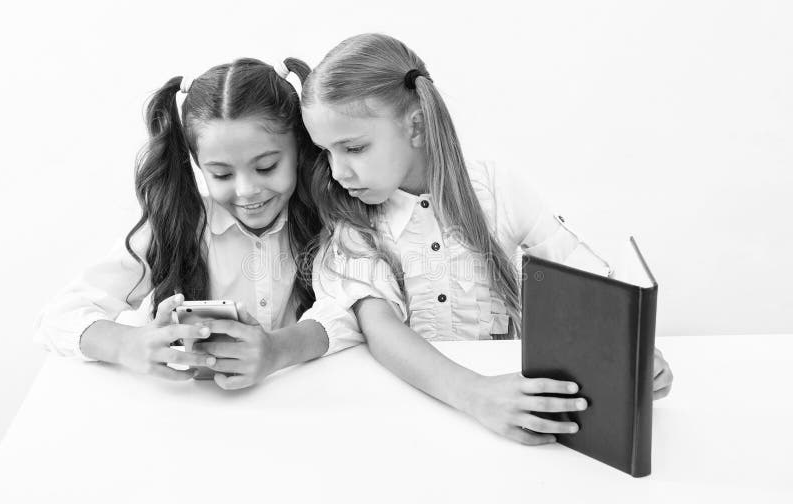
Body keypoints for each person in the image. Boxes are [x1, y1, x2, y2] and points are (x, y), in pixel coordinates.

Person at [297, 33, 674, 445]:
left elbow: (579, 275)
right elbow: (380, 328)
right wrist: (475, 395)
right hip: (408, 423)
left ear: (416, 126)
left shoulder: (496, 189)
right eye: (326, 153)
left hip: (506, 417)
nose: (337, 173)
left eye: (353, 148)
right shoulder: (353, 221)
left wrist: (627, 354)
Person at [35, 57, 340, 390]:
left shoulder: (327, 220)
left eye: (266, 167)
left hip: (303, 406)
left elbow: (354, 310)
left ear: (300, 147)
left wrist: (279, 350)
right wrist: (129, 344)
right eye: (221, 174)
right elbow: (59, 316)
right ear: (198, 164)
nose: (246, 190)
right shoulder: (175, 226)